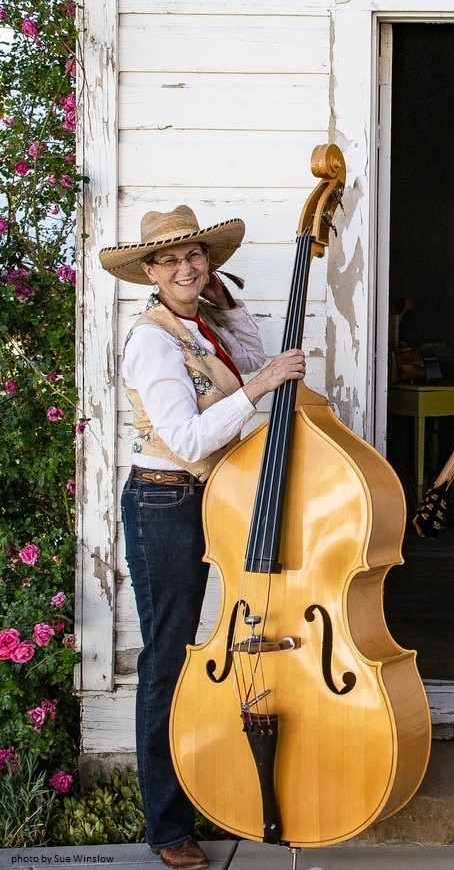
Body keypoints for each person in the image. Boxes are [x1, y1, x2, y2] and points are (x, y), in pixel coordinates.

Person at [99, 206, 306, 870]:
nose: (186, 267)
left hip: (212, 494)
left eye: (195, 256)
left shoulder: (202, 322)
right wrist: (263, 384)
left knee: (216, 642)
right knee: (168, 656)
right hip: (164, 497)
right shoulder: (152, 339)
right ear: (149, 274)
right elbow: (189, 438)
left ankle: (222, 784)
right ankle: (167, 825)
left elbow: (253, 360)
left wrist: (230, 306)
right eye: (170, 260)